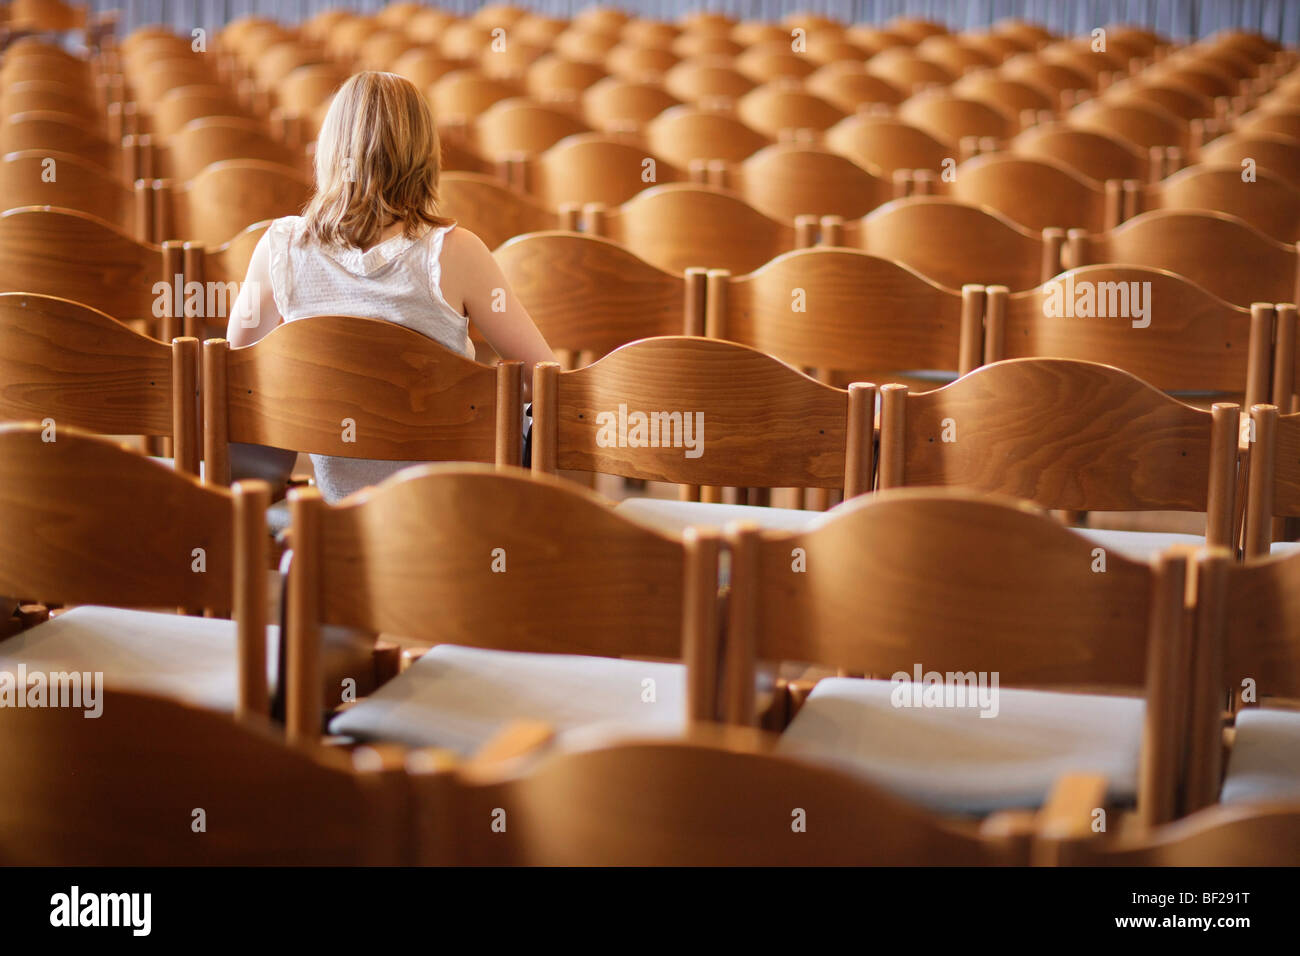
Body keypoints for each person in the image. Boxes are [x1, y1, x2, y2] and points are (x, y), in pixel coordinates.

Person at [226, 71, 556, 502]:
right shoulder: (454, 253)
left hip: (338, 504)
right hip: (454, 513)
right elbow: (547, 380)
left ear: (330, 148)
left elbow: (236, 381)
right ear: (425, 153)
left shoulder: (279, 249)